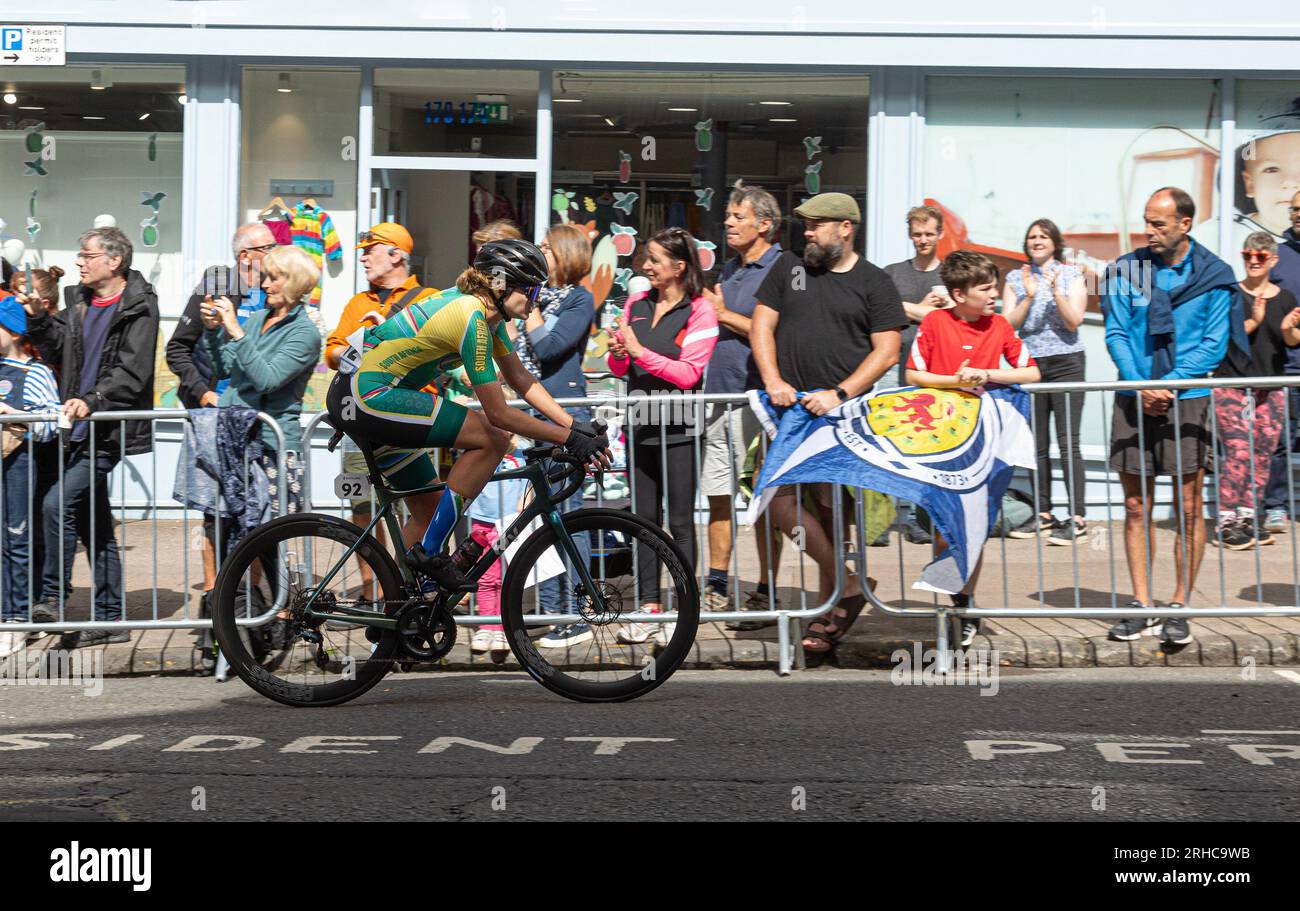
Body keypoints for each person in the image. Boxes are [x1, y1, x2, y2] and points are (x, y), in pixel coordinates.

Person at [324, 239, 611, 604]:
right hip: (369, 395)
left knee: (427, 510)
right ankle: (430, 557)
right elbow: (499, 413)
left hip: (364, 396)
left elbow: (522, 379)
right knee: (492, 437)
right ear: (503, 285)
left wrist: (575, 426)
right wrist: (569, 439)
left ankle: (396, 609)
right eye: (532, 289)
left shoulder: (489, 319)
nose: (536, 299)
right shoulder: (471, 318)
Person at [750, 192, 907, 655]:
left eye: (817, 224)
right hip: (789, 412)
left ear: (846, 227)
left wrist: (840, 393)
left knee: (830, 511)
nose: (808, 232)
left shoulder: (874, 282)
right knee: (774, 500)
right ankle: (849, 581)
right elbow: (761, 326)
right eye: (806, 225)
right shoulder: (789, 269)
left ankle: (827, 611)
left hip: (843, 415)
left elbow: (887, 351)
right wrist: (773, 379)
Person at [1103, 187, 1238, 647]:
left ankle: (1179, 604)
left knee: (1188, 508)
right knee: (1136, 506)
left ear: (1185, 224)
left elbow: (1213, 344)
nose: (1150, 230)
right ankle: (1141, 604)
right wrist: (1143, 384)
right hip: (1135, 395)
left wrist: (1169, 384)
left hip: (1190, 396)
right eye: (1146, 221)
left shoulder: (1216, 275)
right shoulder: (1127, 269)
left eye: (1159, 223)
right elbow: (1117, 332)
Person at [20, 227, 161, 649]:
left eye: (87, 255)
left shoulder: (140, 306)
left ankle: (52, 598)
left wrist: (93, 399)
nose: (79, 261)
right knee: (93, 524)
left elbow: (133, 372)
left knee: (55, 503)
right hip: (77, 429)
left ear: (113, 261)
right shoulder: (79, 301)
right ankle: (112, 616)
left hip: (108, 430)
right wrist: (38, 318)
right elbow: (58, 346)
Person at [906, 250, 1041, 646]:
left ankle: (963, 603)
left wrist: (988, 373)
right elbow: (913, 373)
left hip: (984, 437)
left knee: (974, 524)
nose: (995, 294)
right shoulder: (933, 322)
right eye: (986, 288)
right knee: (945, 525)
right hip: (939, 438)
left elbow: (1032, 371)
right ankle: (952, 597)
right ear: (959, 294)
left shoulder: (999, 324)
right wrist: (954, 382)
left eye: (995, 286)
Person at [606, 227, 719, 646]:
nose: (645, 266)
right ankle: (648, 608)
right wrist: (618, 356)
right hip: (640, 424)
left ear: (679, 266)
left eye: (654, 259)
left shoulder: (700, 311)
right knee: (643, 521)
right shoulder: (636, 302)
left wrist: (638, 353)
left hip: (680, 428)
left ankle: (682, 609)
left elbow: (690, 374)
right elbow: (619, 368)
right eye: (645, 259)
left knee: (680, 523)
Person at [325, 222, 442, 594]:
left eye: (370, 249)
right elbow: (331, 350)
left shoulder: (430, 297)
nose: (362, 257)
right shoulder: (358, 302)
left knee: (425, 507)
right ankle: (372, 590)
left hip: (410, 416)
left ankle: (407, 587)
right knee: (362, 508)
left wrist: (386, 334)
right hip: (361, 420)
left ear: (396, 254)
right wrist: (361, 348)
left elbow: (435, 347)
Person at [166, 222, 277, 601]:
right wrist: (203, 394)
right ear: (245, 255)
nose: (274, 252)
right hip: (217, 418)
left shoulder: (275, 288)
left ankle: (252, 593)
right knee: (215, 512)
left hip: (261, 418)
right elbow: (177, 349)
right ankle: (215, 595)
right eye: (267, 247)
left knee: (260, 512)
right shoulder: (215, 284)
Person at [698, 182, 785, 626]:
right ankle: (715, 583)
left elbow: (775, 333)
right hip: (720, 394)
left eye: (738, 216)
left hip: (760, 398)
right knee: (718, 494)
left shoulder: (784, 269)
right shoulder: (729, 269)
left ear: (764, 224)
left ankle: (766, 591)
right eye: (728, 216)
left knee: (765, 500)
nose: (728, 223)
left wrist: (722, 314)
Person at [511, 224, 598, 649]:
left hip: (564, 411)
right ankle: (552, 608)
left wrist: (529, 312)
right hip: (532, 410)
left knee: (570, 514)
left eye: (545, 245)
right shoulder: (537, 298)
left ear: (565, 253)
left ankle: (580, 612)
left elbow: (548, 350)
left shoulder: (580, 299)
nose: (539, 250)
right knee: (545, 513)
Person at [201, 245, 323, 518]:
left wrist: (235, 331)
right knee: (219, 527)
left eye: (274, 278)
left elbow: (267, 380)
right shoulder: (256, 319)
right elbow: (225, 368)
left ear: (295, 282)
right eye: (265, 276)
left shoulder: (306, 333)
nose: (264, 284)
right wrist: (212, 331)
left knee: (265, 540)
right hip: (236, 440)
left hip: (272, 446)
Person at [1000, 218, 1089, 545]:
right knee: (1035, 444)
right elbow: (1008, 324)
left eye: (1043, 236)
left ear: (1055, 241)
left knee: (1068, 442)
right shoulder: (1015, 277)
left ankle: (1077, 517)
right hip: (1031, 364)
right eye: (1032, 236)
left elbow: (1074, 322)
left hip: (1067, 363)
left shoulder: (1070, 274)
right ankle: (1044, 513)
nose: (1037, 241)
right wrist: (1029, 297)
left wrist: (1054, 292)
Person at [1212, 232, 1300, 549]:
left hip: (1271, 386)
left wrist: (1290, 329)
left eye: (1260, 257)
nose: (1252, 260)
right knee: (1237, 452)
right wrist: (1253, 321)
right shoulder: (1231, 294)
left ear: (1272, 260)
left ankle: (1249, 516)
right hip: (1233, 384)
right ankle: (1226, 520)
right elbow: (1220, 340)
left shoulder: (1286, 298)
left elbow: (1290, 342)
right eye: (1247, 254)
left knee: (1262, 456)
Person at [881, 204, 952, 546]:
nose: (923, 240)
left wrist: (907, 309)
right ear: (910, 235)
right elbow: (879, 312)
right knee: (893, 442)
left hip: (935, 371)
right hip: (896, 365)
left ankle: (921, 516)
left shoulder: (952, 273)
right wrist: (925, 309)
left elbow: (958, 317)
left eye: (929, 234)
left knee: (927, 445)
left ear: (940, 235)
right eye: (917, 234)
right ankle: (891, 515)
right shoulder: (892, 273)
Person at [0, 296, 60, 659]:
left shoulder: (35, 372)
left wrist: (13, 414)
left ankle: (16, 619)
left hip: (20, 464)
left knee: (16, 542)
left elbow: (52, 423)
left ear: (11, 330)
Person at [465, 446, 529, 657]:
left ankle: (501, 628)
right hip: (482, 519)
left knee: (505, 579)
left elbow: (529, 478)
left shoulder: (523, 450)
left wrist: (527, 496)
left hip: (509, 520)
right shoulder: (480, 443)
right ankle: (486, 626)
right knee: (484, 578)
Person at [1261, 189, 1300, 533]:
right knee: (1279, 442)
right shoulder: (1279, 257)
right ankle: (1276, 506)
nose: (1298, 214)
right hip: (1286, 366)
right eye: (1295, 209)